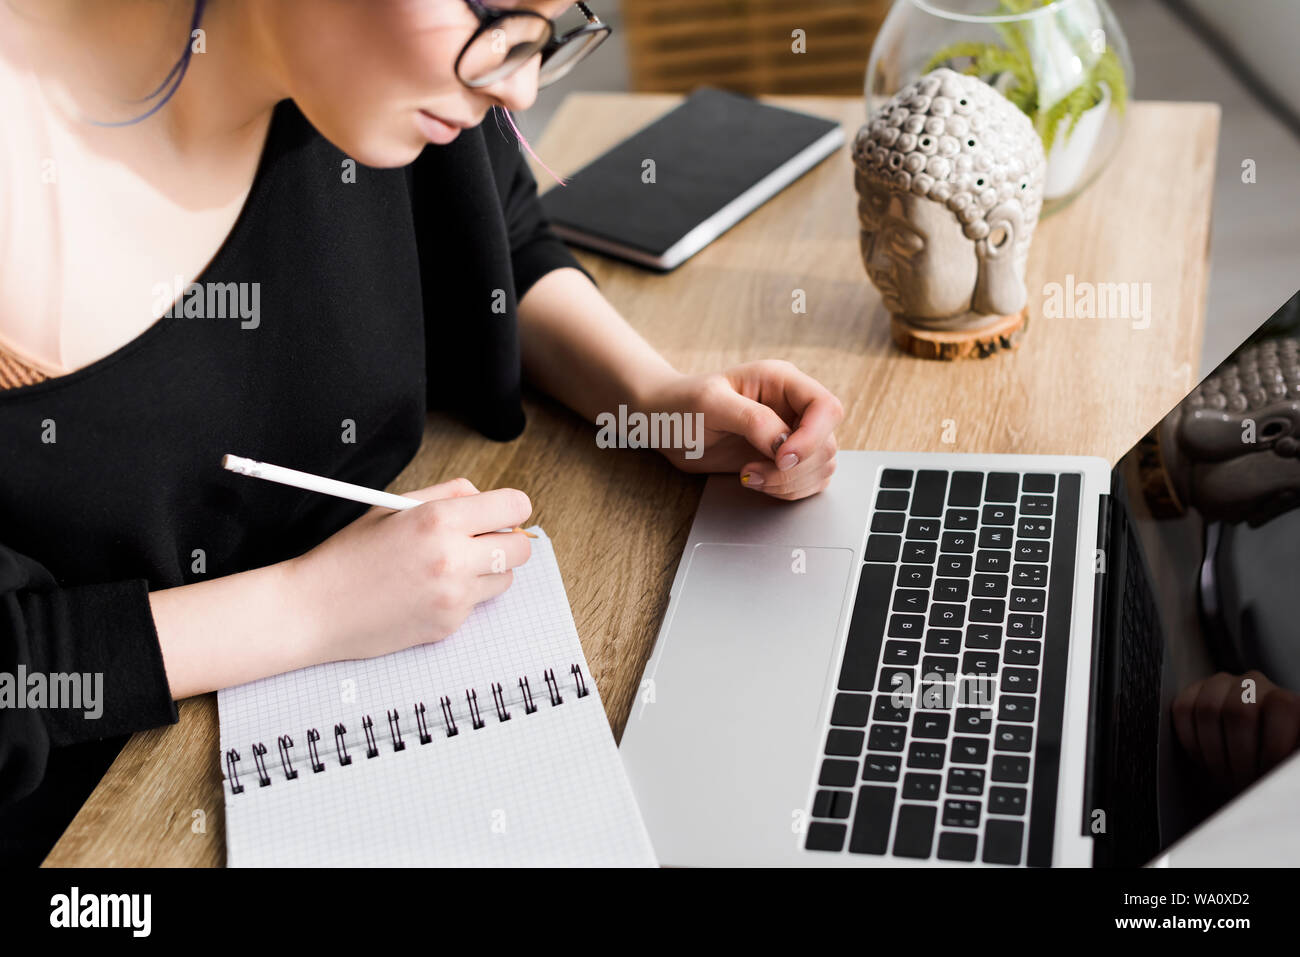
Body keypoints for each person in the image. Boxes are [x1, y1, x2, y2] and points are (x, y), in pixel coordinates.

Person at [0, 0, 844, 863]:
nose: (516, 82)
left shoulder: (394, 81)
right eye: (502, 17)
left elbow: (497, 242)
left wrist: (650, 395)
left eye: (553, 30)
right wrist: (306, 608)